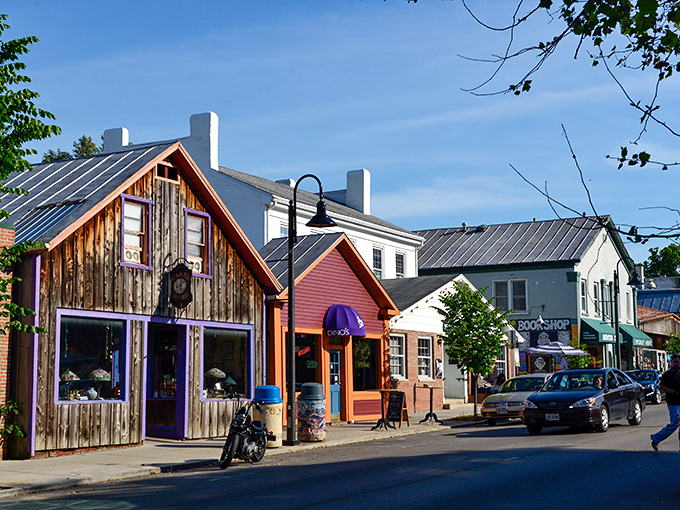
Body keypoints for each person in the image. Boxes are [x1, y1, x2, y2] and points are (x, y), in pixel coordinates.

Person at [651, 354, 680, 451]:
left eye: (678, 362)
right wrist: (673, 392)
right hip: (673, 403)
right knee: (675, 423)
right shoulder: (667, 374)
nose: (676, 364)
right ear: (671, 363)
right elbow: (661, 386)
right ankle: (656, 438)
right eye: (674, 362)